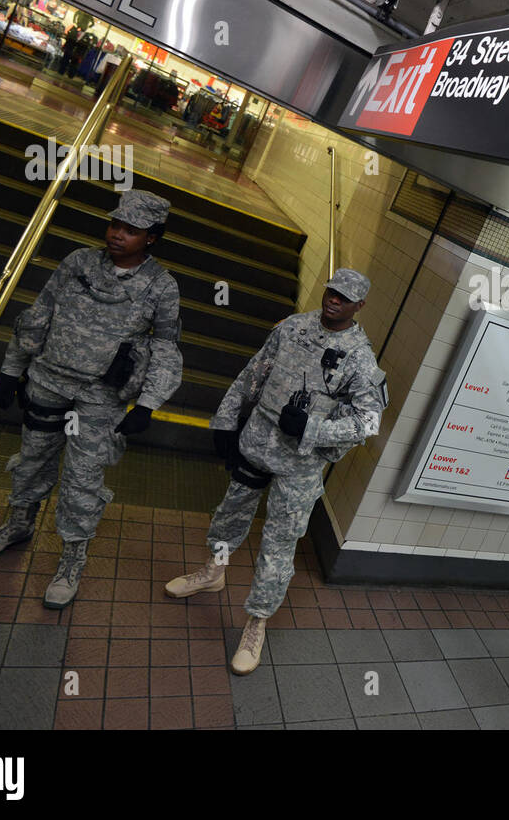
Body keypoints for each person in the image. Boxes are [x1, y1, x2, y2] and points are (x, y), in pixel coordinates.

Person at [165, 269, 388, 674]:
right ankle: (213, 572)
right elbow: (254, 373)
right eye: (332, 291)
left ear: (360, 306)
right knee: (230, 515)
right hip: (257, 441)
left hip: (300, 463)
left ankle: (256, 622)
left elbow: (368, 423)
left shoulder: (359, 358)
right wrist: (226, 419)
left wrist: (314, 428)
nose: (334, 299)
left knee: (279, 544)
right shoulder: (294, 327)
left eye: (345, 297)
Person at [0, 191, 183, 609]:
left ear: (152, 238)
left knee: (82, 479)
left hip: (100, 397)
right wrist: (11, 368)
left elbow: (165, 348)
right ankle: (18, 525)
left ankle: (72, 560)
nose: (117, 235)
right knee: (32, 457)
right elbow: (40, 313)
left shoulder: (161, 287)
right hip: (48, 380)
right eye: (114, 225)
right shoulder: (77, 263)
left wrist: (149, 403)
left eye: (131, 230)